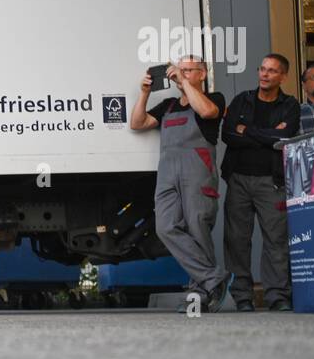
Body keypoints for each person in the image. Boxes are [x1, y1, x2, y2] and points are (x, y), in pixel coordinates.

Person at [129, 55, 230, 312]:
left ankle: (202, 292)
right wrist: (144, 92)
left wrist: (184, 83)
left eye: (188, 70)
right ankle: (212, 278)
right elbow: (137, 123)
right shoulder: (168, 106)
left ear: (202, 74)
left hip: (197, 171)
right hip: (167, 174)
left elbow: (206, 112)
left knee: (197, 226)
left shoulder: (214, 99)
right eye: (180, 69)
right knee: (165, 227)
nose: (181, 74)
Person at [221, 53, 300, 312]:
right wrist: (269, 136)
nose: (265, 74)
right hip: (239, 180)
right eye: (262, 69)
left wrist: (250, 131)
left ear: (283, 76)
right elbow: (229, 135)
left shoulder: (290, 105)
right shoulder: (241, 100)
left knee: (276, 240)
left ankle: (277, 296)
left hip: (271, 182)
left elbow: (285, 137)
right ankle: (242, 297)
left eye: (272, 71)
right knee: (237, 240)